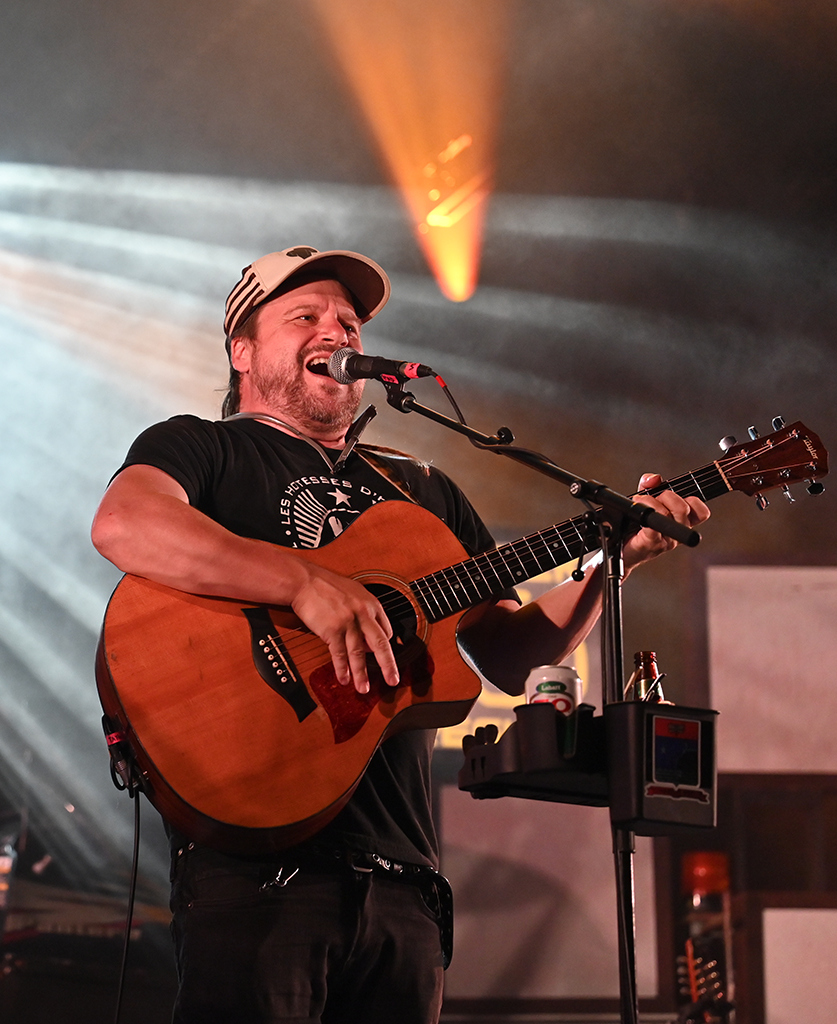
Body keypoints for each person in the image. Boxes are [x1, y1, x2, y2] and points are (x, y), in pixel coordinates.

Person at [90, 245, 709, 1024]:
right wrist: (304, 583)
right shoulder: (203, 447)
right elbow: (124, 521)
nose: (336, 331)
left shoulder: (422, 492)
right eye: (305, 315)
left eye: (348, 321)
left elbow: (512, 656)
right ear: (242, 349)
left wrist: (614, 561)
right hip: (256, 872)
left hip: (405, 884)